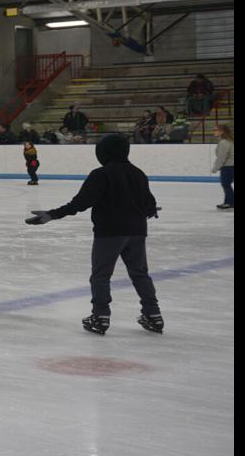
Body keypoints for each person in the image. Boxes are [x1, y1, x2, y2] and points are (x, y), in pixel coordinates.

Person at [24, 134, 163, 336]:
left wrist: (52, 215)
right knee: (140, 273)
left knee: (101, 276)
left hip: (110, 232)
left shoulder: (101, 174)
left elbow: (80, 203)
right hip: (137, 231)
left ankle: (100, 316)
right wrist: (149, 210)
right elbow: (149, 202)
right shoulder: (137, 173)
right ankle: (153, 314)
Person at [211, 123, 234, 210]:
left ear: (222, 131)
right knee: (226, 184)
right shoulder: (228, 141)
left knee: (226, 184)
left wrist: (215, 168)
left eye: (215, 130)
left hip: (228, 166)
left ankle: (230, 202)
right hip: (230, 166)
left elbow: (221, 157)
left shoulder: (224, 142)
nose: (214, 131)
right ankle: (228, 202)